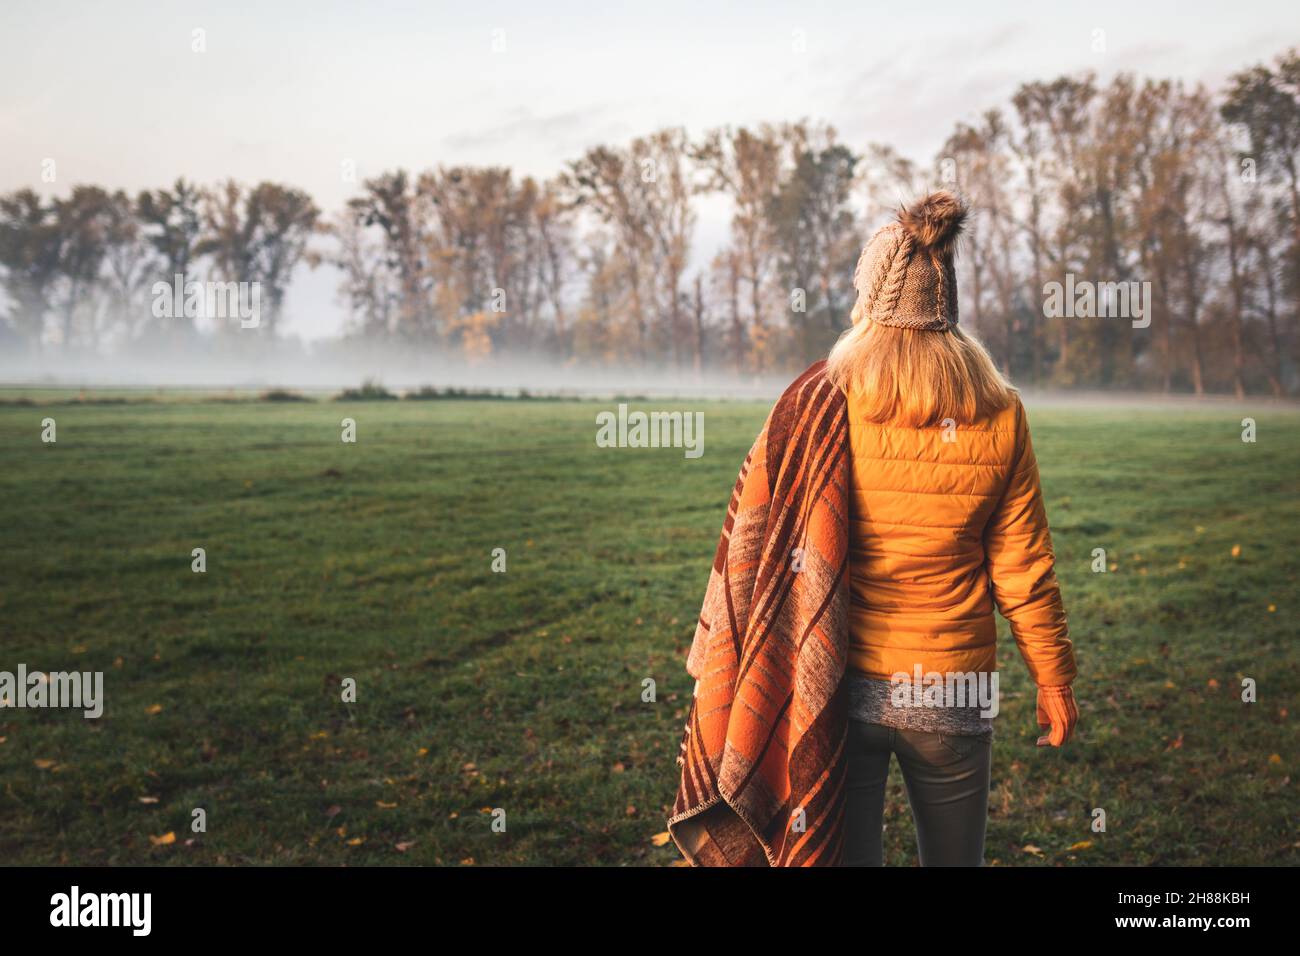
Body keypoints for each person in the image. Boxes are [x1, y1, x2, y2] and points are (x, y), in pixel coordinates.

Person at [826, 191, 1079, 866]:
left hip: (840, 682)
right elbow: (1024, 568)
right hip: (952, 686)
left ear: (871, 300)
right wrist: (1053, 681)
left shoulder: (829, 404)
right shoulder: (1000, 410)